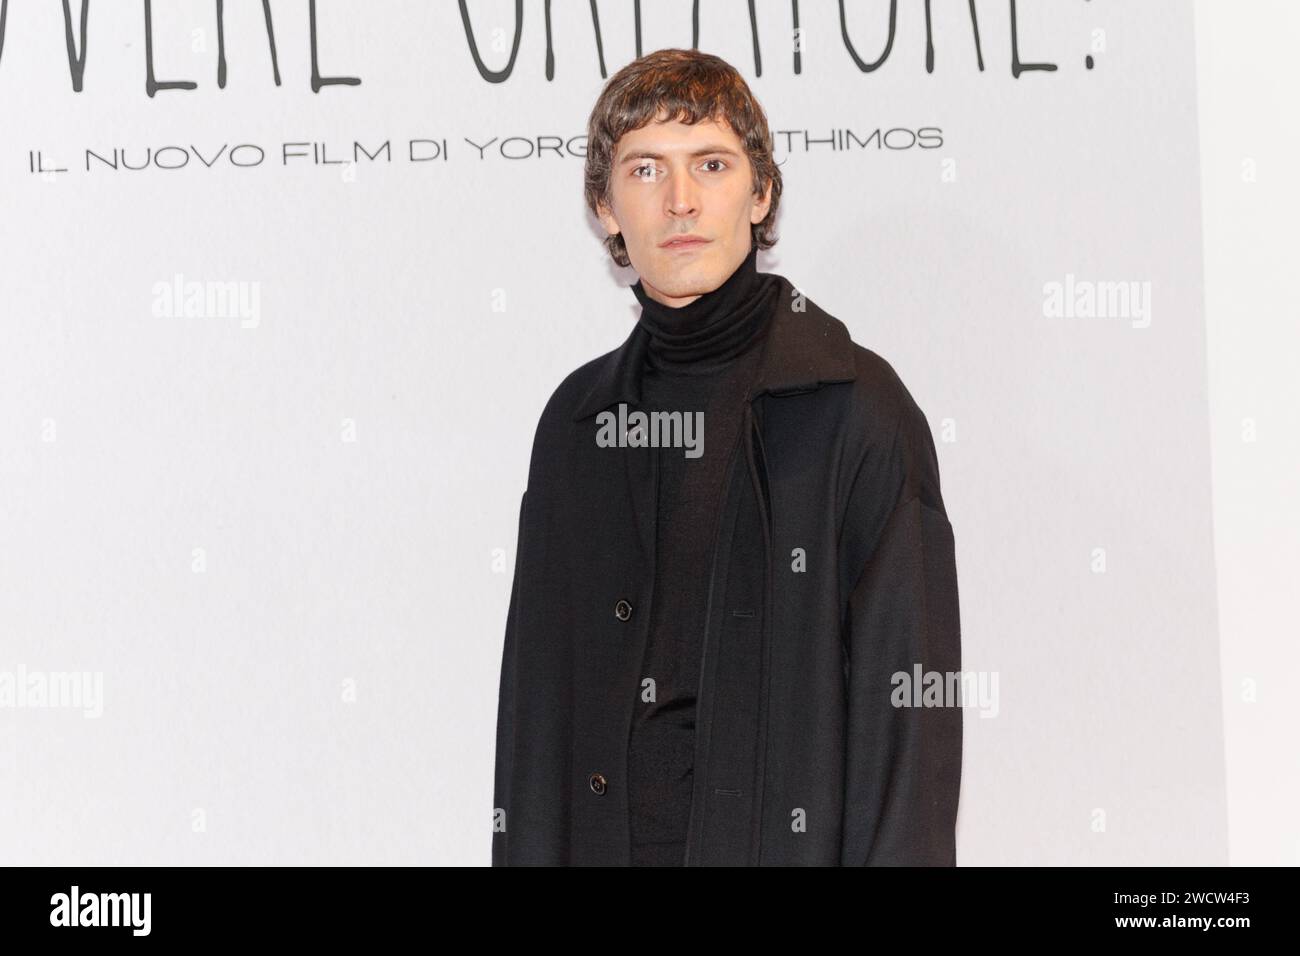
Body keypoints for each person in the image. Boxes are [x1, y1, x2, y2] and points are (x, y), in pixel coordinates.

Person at [492, 48, 962, 866]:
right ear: (605, 207)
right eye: (645, 170)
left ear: (762, 193)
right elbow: (536, 723)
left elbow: (908, 741)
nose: (680, 201)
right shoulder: (576, 424)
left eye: (711, 163)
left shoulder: (857, 407)